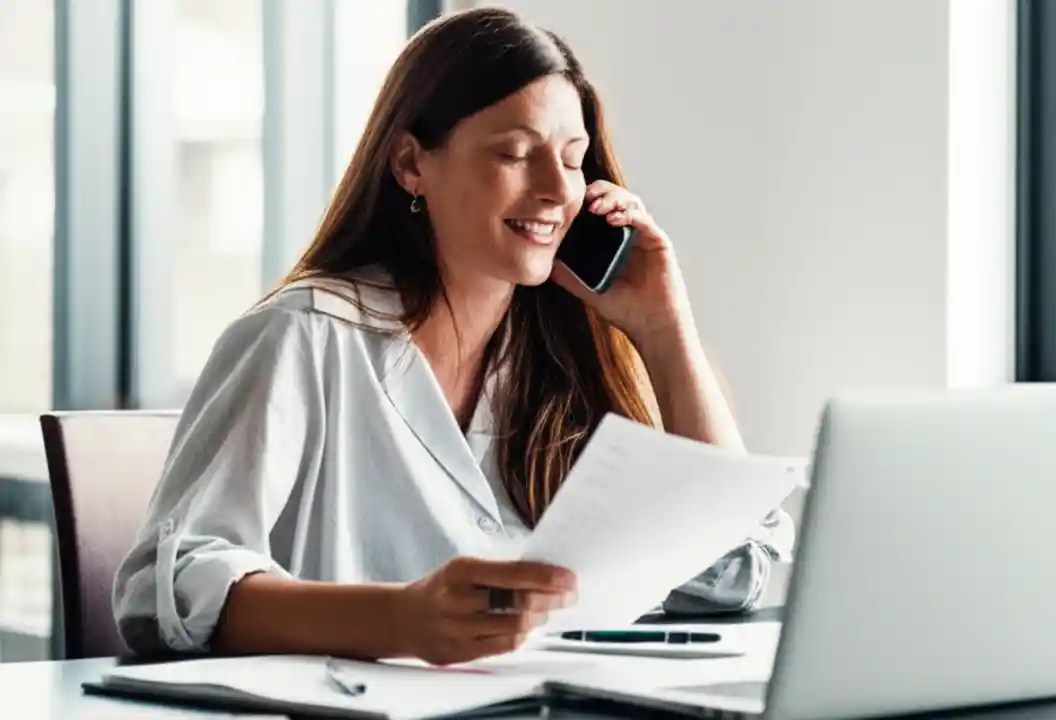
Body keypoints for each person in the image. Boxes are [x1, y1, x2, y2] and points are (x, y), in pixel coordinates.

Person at [113, 6, 792, 666]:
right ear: (411, 164)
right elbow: (162, 594)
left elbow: (732, 570)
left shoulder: (559, 356)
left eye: (574, 158)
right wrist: (400, 620)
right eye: (516, 153)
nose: (559, 189)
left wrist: (665, 330)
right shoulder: (304, 336)